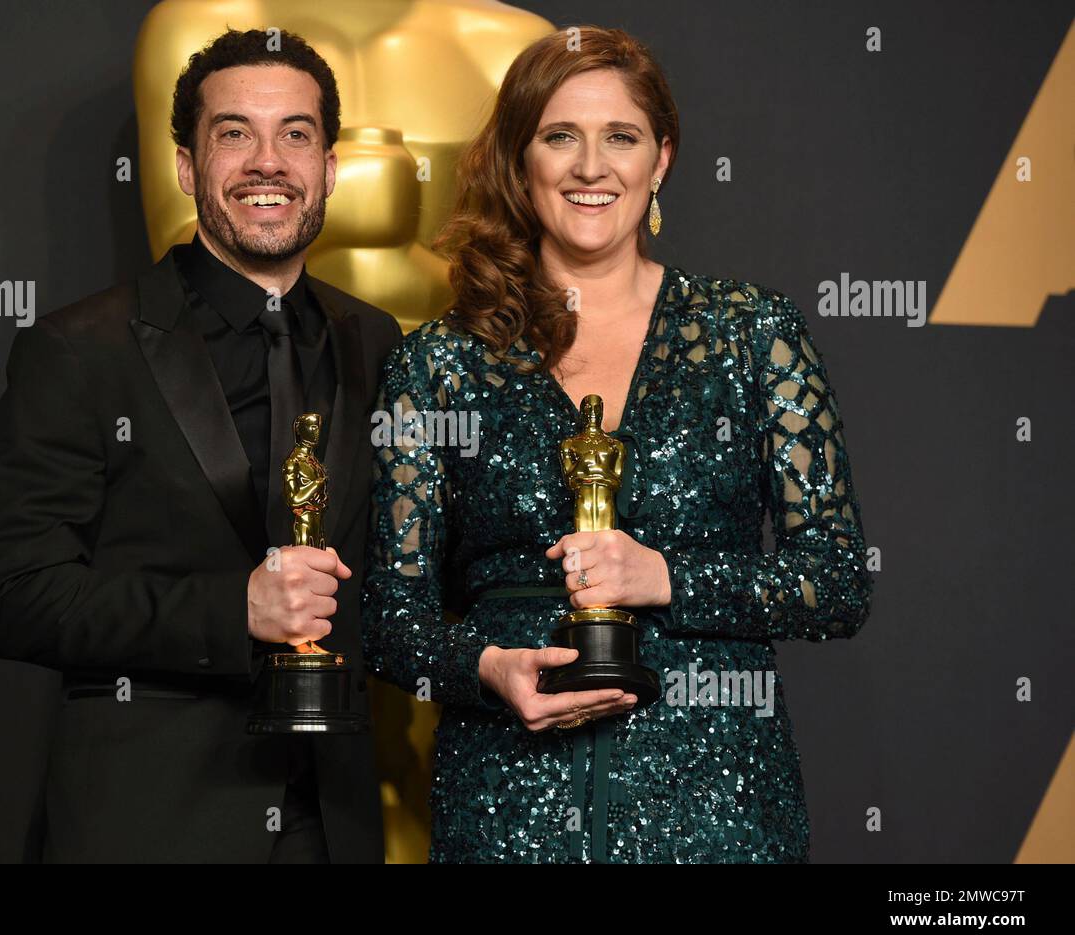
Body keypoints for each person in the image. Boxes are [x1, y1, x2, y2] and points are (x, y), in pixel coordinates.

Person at [361, 26, 874, 862]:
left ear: (661, 159)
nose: (591, 167)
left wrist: (665, 577)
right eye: (560, 136)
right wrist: (484, 668)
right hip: (505, 807)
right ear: (520, 161)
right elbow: (389, 617)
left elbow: (839, 581)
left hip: (718, 808)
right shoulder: (440, 362)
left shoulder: (751, 334)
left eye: (621, 138)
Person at [0, 28, 399, 863]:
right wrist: (233, 610)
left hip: (334, 821)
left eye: (296, 135)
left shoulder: (375, 341)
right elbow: (16, 598)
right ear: (184, 166)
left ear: (330, 168)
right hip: (149, 825)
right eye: (234, 133)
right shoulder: (81, 349)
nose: (267, 161)